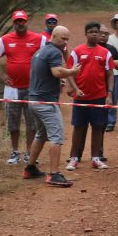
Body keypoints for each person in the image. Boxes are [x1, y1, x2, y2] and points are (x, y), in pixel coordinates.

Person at [0, 10, 47, 166]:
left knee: (32, 123)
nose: (20, 24)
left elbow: (48, 56)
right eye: (17, 22)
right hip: (12, 89)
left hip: (32, 88)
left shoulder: (39, 39)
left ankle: (29, 153)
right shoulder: (4, 40)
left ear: (27, 22)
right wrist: (1, 75)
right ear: (13, 23)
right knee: (13, 122)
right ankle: (15, 152)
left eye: (22, 21)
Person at [26, 24, 76, 187]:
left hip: (34, 100)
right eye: (63, 39)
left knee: (41, 134)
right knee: (57, 136)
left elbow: (47, 74)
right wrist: (72, 72)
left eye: (67, 39)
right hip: (45, 102)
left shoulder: (40, 51)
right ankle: (54, 174)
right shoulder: (54, 51)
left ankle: (30, 167)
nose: (65, 42)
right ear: (53, 36)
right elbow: (56, 72)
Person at [67, 21, 118, 170]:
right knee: (79, 127)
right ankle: (74, 158)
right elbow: (70, 72)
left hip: (99, 96)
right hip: (81, 97)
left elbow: (110, 74)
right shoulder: (77, 51)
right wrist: (75, 88)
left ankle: (96, 158)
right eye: (91, 31)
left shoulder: (105, 53)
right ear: (85, 34)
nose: (94, 34)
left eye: (96, 32)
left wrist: (109, 94)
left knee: (98, 127)